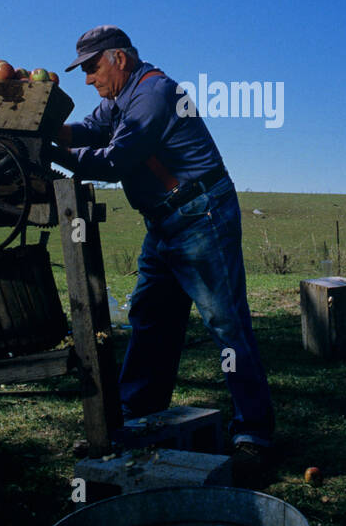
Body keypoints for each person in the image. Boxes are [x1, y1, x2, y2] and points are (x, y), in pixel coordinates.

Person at [54, 25, 275, 480]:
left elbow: (115, 160)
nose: (89, 78)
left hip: (199, 214)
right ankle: (134, 421)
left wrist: (47, 155)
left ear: (118, 58)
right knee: (151, 319)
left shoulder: (154, 93)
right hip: (165, 221)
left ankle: (254, 435)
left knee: (226, 322)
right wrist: (48, 132)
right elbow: (89, 130)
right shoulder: (119, 100)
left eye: (93, 67)